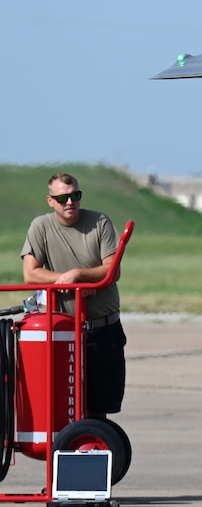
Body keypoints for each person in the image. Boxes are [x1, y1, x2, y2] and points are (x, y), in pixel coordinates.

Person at [21, 172, 125, 420]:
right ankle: (67, 453)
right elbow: (31, 274)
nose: (70, 202)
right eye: (63, 198)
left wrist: (79, 275)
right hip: (64, 331)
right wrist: (64, 280)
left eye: (75, 196)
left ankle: (94, 452)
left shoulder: (100, 222)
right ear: (50, 200)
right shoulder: (41, 226)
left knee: (98, 408)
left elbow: (112, 270)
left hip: (102, 329)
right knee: (63, 404)